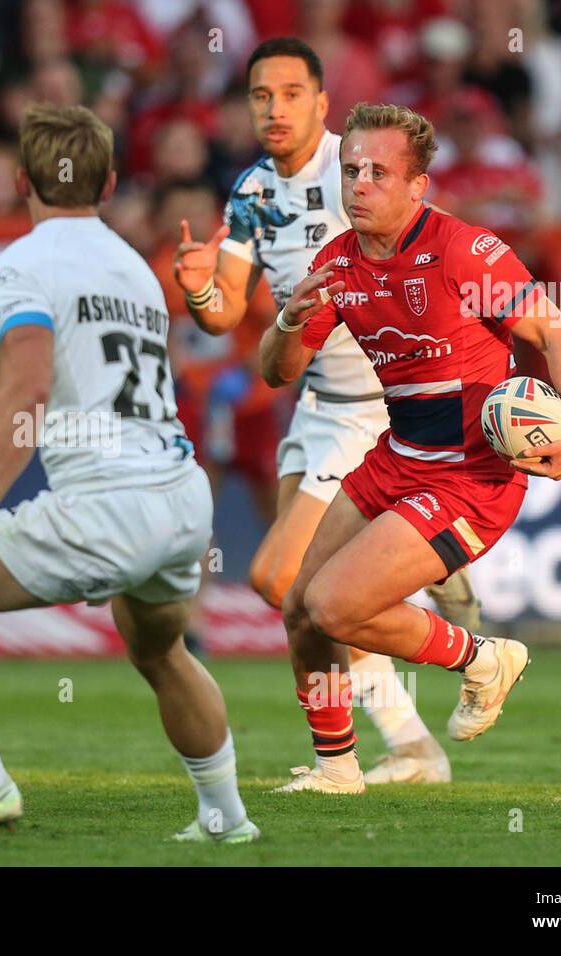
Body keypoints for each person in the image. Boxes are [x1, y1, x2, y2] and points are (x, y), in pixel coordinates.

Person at [0, 104, 259, 844]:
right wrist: (16, 377)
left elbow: (33, 387)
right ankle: (227, 819)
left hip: (106, 509)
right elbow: (110, 379)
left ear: (20, 180)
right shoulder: (135, 268)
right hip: (179, 496)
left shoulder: (19, 265)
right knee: (160, 650)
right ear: (108, 184)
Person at [258, 102, 561, 792]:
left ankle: (481, 657)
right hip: (398, 456)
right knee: (299, 605)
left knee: (335, 606)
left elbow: (554, 334)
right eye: (351, 169)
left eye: (379, 171)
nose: (359, 183)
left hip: (470, 478)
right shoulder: (338, 264)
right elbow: (279, 371)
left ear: (418, 187)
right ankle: (337, 768)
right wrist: (290, 317)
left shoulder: (464, 251)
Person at [173, 37, 476, 784]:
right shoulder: (250, 192)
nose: (274, 109)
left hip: (379, 404)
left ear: (320, 100)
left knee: (283, 580)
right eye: (259, 95)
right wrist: (202, 290)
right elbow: (227, 314)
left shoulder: (361, 167)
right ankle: (409, 745)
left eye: (289, 93)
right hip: (315, 404)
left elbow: (431, 252)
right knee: (306, 599)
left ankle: (442, 652)